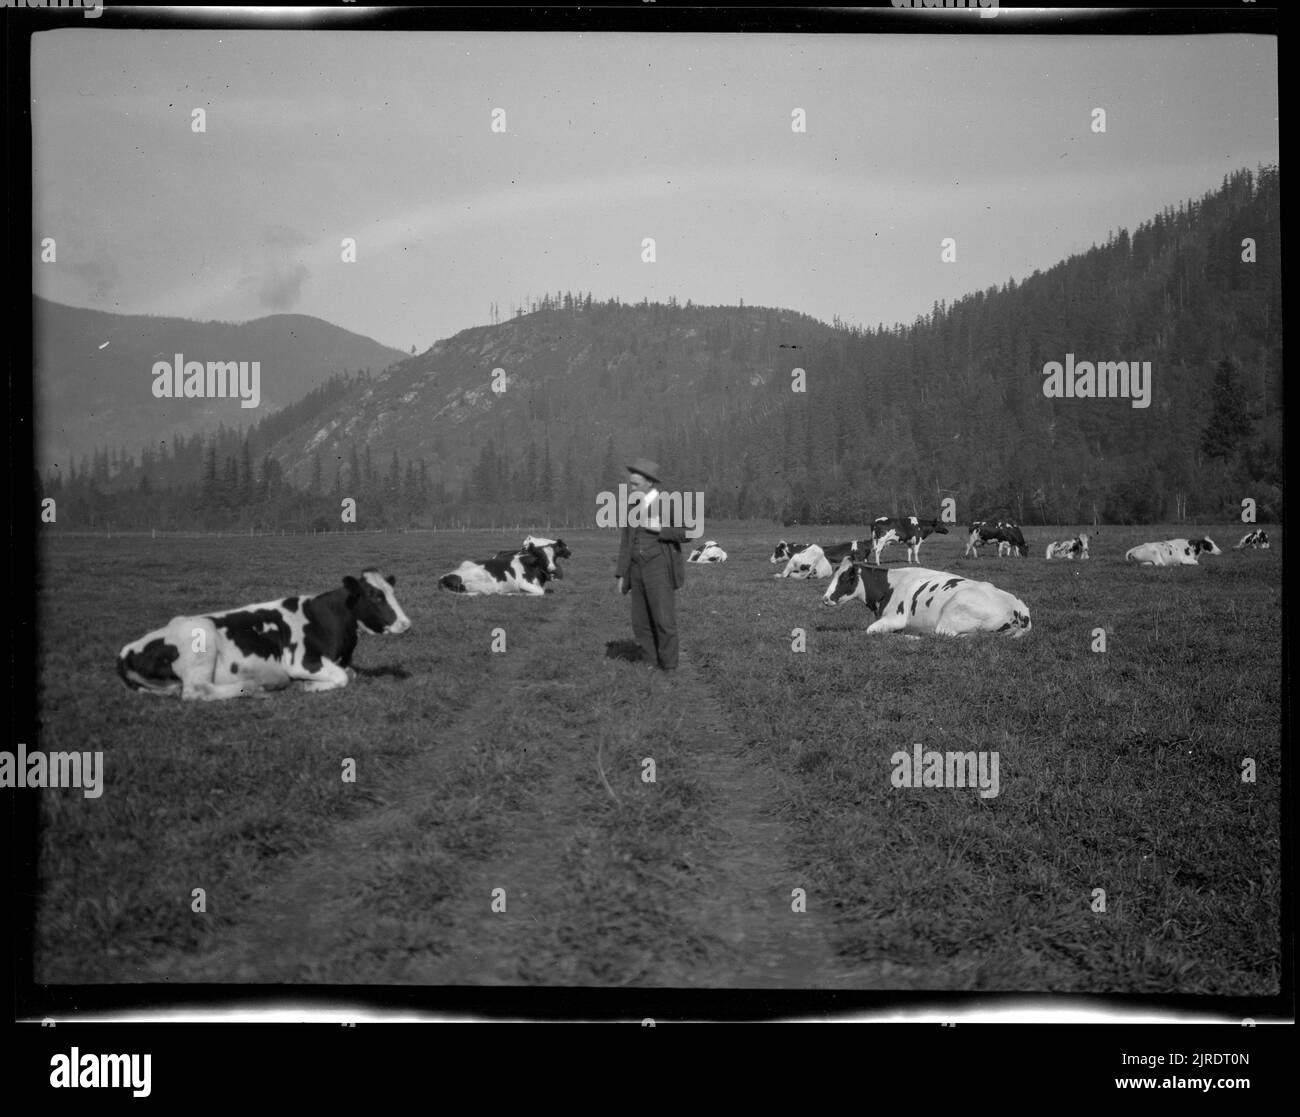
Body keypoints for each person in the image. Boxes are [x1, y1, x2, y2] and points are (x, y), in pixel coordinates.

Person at [614, 458, 686, 671]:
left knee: (663, 619)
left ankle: (669, 666)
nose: (631, 488)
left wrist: (661, 529)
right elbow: (626, 542)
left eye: (635, 484)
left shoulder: (669, 503)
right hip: (636, 569)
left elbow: (687, 532)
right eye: (631, 484)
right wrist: (621, 574)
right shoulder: (632, 506)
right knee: (640, 620)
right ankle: (649, 662)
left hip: (660, 569)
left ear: (650, 483)